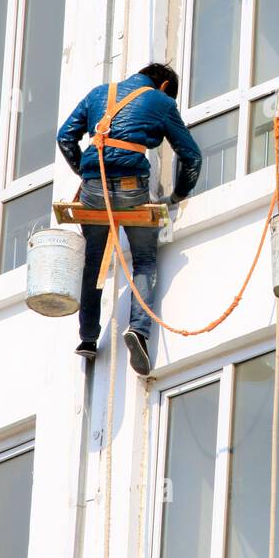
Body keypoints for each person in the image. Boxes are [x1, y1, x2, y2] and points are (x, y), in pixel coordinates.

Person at [56, 63, 202, 375]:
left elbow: (65, 137)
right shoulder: (161, 101)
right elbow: (192, 157)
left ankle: (88, 339)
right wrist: (177, 195)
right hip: (131, 188)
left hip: (94, 192)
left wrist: (86, 174)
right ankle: (138, 330)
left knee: (94, 263)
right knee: (145, 260)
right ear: (163, 86)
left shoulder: (98, 94)